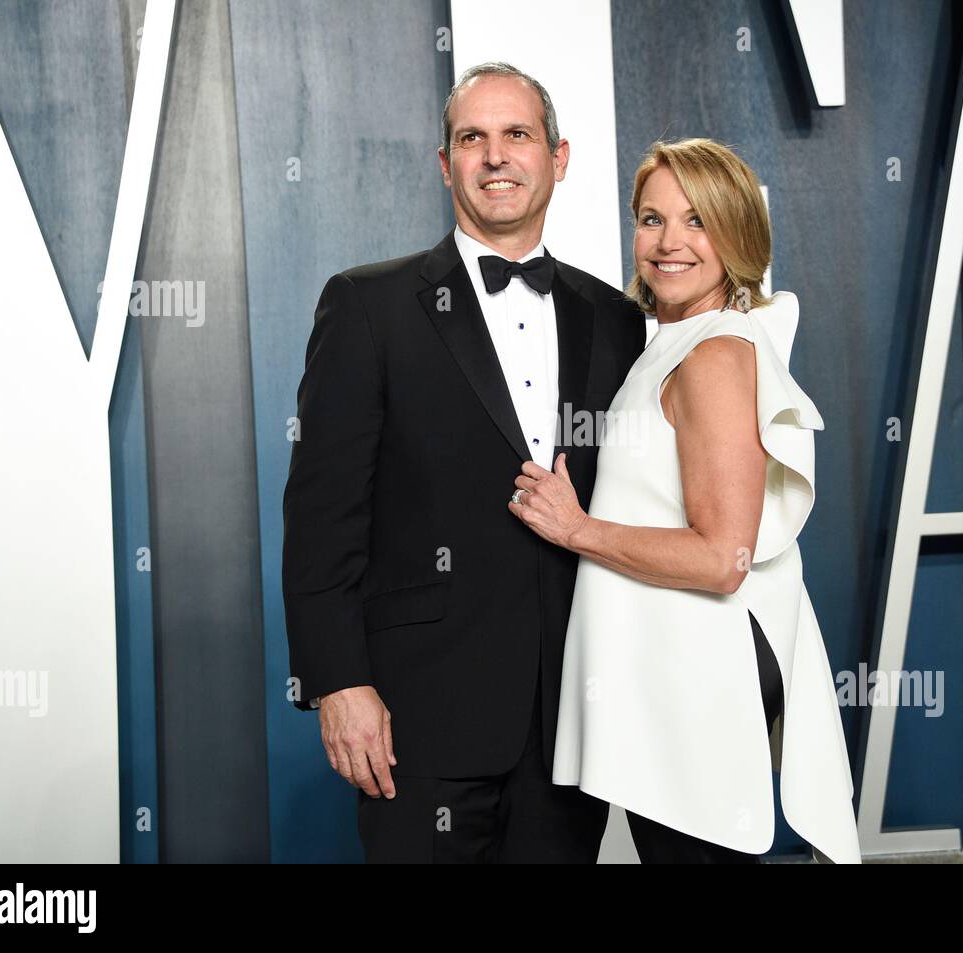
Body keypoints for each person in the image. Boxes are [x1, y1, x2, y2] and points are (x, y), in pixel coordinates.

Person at [281, 62, 645, 863]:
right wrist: (338, 682)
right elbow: (320, 517)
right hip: (417, 721)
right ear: (446, 165)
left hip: (571, 723)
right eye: (472, 138)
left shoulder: (617, 318)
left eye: (517, 134)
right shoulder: (367, 305)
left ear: (558, 157)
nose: (496, 155)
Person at [508, 138, 862, 864]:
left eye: (697, 220)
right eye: (652, 219)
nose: (670, 242)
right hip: (674, 664)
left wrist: (577, 529)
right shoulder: (677, 342)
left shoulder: (714, 356)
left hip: (704, 665)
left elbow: (722, 558)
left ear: (738, 235)